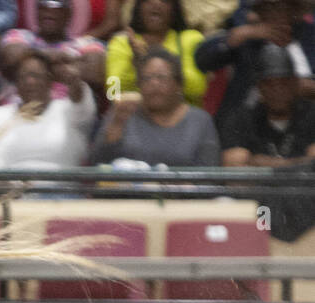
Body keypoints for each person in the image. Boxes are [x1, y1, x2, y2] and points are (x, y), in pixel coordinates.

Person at [220, 43, 315, 236]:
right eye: (269, 84)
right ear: (259, 87)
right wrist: (298, 165)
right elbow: (234, 170)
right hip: (257, 204)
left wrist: (257, 162)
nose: (277, 90)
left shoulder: (312, 114)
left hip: (307, 203)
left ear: (295, 84)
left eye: (283, 83)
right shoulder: (242, 118)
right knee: (225, 205)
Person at [91, 46, 221, 161]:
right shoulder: (122, 113)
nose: (154, 84)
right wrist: (117, 125)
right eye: (147, 78)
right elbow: (97, 163)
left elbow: (209, 172)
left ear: (178, 85)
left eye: (161, 78)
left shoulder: (200, 121)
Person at [196, 0, 315, 120]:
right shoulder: (247, 37)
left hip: (299, 124)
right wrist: (236, 38)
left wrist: (292, 86)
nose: (277, 13)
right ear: (259, 11)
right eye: (269, 7)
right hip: (242, 124)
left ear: (296, 10)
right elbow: (202, 62)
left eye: (284, 6)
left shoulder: (309, 36)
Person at [0, 49, 97, 166]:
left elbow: (80, 103)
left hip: (62, 185)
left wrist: (73, 80)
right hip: (9, 185)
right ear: (16, 84)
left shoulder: (68, 110)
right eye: (23, 77)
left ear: (50, 81)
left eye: (36, 76)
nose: (30, 81)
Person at [106, 0, 208, 105]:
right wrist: (135, 63)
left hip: (184, 118)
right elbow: (112, 92)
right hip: (136, 117)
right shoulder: (121, 42)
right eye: (148, 1)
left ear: (175, 9)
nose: (156, 3)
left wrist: (152, 61)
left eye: (165, 1)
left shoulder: (190, 38)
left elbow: (198, 89)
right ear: (138, 7)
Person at [2, 0, 108, 96]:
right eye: (43, 7)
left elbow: (94, 74)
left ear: (69, 14)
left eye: (58, 7)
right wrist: (66, 60)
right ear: (37, 12)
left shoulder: (84, 43)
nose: (48, 13)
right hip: (19, 108)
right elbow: (12, 59)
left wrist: (31, 64)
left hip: (68, 112)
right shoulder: (19, 35)